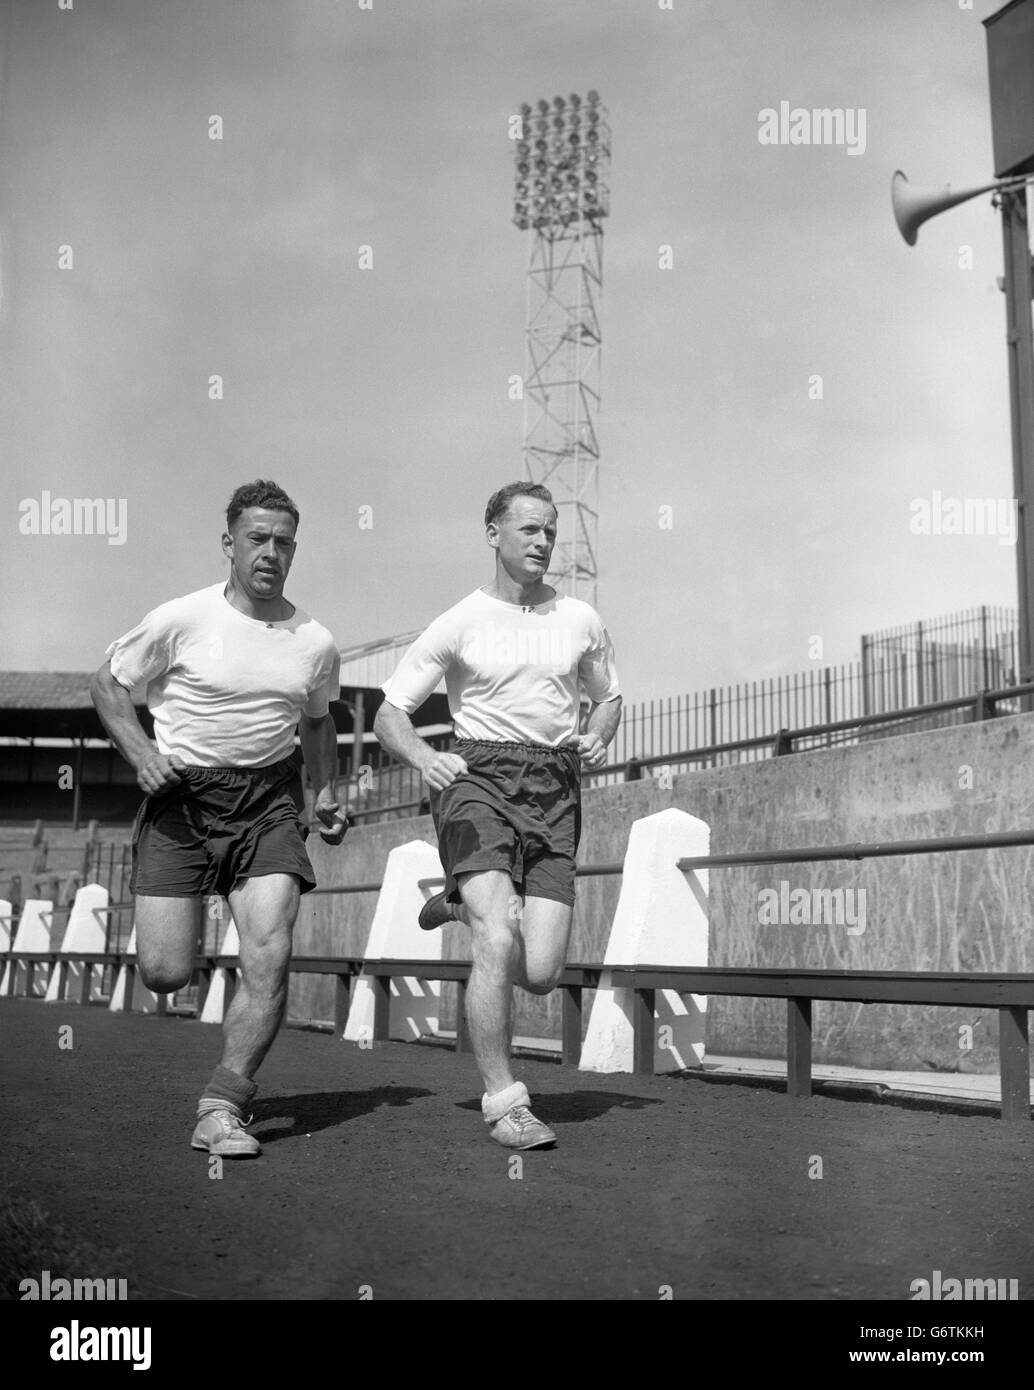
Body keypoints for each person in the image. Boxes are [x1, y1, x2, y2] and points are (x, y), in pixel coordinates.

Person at [90, 480, 347, 1160]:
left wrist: (320, 793)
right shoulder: (183, 619)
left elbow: (319, 724)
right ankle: (185, 939)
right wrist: (141, 753)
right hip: (181, 797)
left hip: (267, 804)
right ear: (229, 542)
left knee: (271, 949)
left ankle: (222, 1105)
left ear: (296, 549)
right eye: (257, 538)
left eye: (284, 542)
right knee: (166, 973)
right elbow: (108, 684)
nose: (270, 552)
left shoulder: (314, 642)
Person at [374, 481, 621, 1150]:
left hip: (554, 788)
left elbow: (609, 697)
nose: (542, 542)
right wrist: (425, 758)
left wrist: (601, 731)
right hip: (475, 779)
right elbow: (389, 713)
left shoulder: (580, 620)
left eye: (549, 531)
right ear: (493, 535)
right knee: (497, 935)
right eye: (528, 531)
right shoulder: (460, 622)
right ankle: (504, 1101)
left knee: (540, 972)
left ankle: (458, 904)